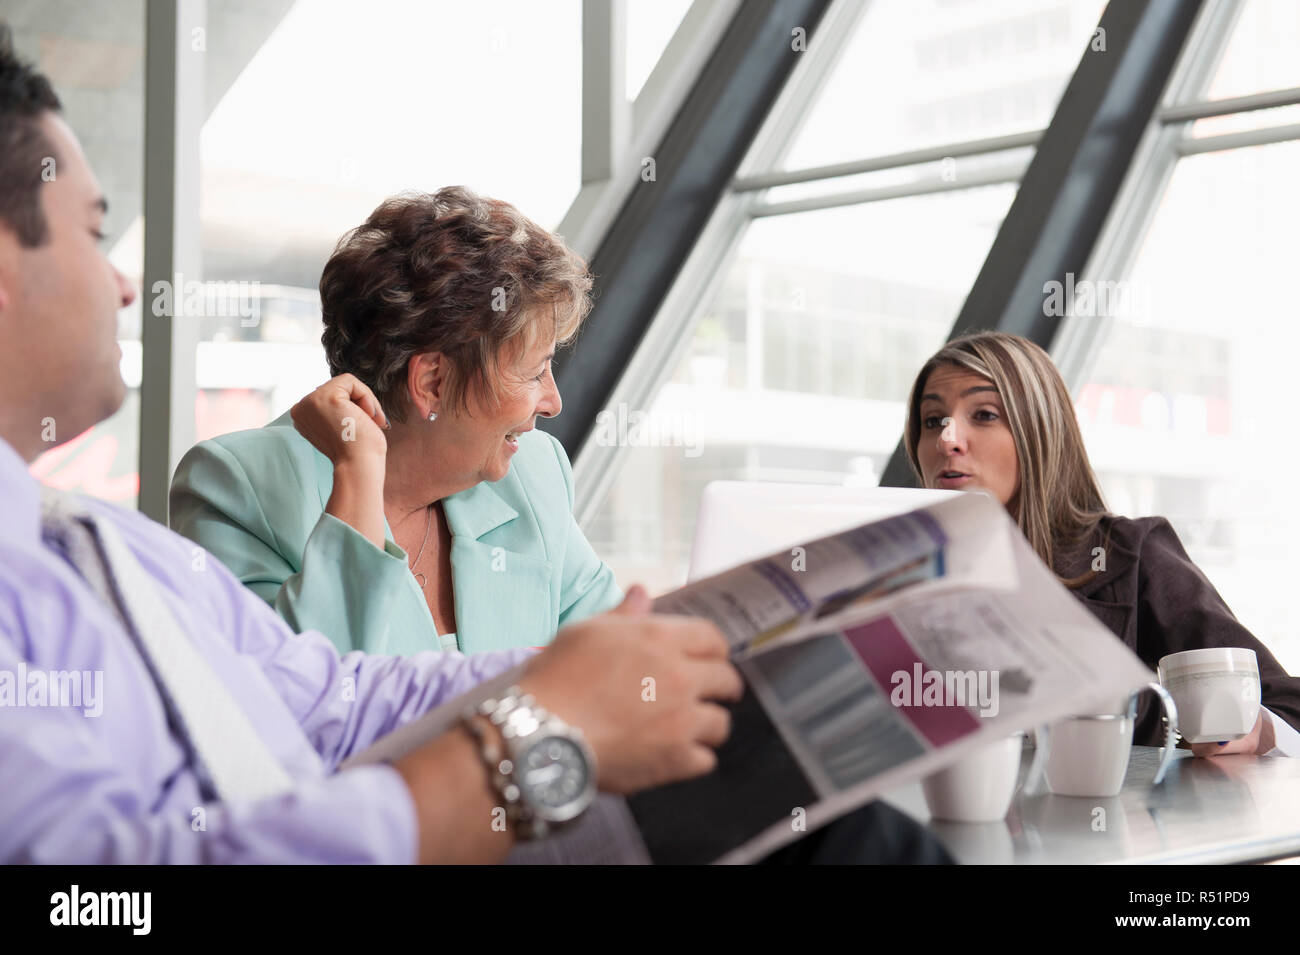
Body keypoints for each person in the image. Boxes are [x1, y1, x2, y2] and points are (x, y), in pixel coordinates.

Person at [0, 28, 950, 864]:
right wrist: (533, 728)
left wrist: (631, 668)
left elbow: (333, 699)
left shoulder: (97, 550)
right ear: (430, 384)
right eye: (95, 230)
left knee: (819, 814)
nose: (125, 284)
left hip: (508, 808)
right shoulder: (203, 501)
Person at [169, 187, 619, 656]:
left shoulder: (533, 473)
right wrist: (358, 473)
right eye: (533, 371)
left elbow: (613, 653)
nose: (553, 402)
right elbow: (294, 698)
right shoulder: (236, 487)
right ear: (432, 381)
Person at [902, 330, 1300, 756]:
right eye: (932, 421)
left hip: (1100, 819)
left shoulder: (1129, 555)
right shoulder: (895, 582)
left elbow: (1286, 707)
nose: (947, 440)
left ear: (1039, 431)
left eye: (983, 415)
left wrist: (1244, 730)